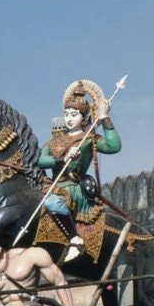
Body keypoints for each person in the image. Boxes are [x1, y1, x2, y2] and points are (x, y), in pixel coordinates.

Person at [38, 84, 121, 253]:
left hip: (73, 188)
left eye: (74, 114)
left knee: (52, 202)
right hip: (52, 184)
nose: (69, 118)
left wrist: (104, 118)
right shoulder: (53, 141)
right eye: (67, 114)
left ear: (83, 117)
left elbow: (114, 146)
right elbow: (41, 161)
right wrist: (63, 158)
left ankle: (73, 239)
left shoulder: (89, 139)